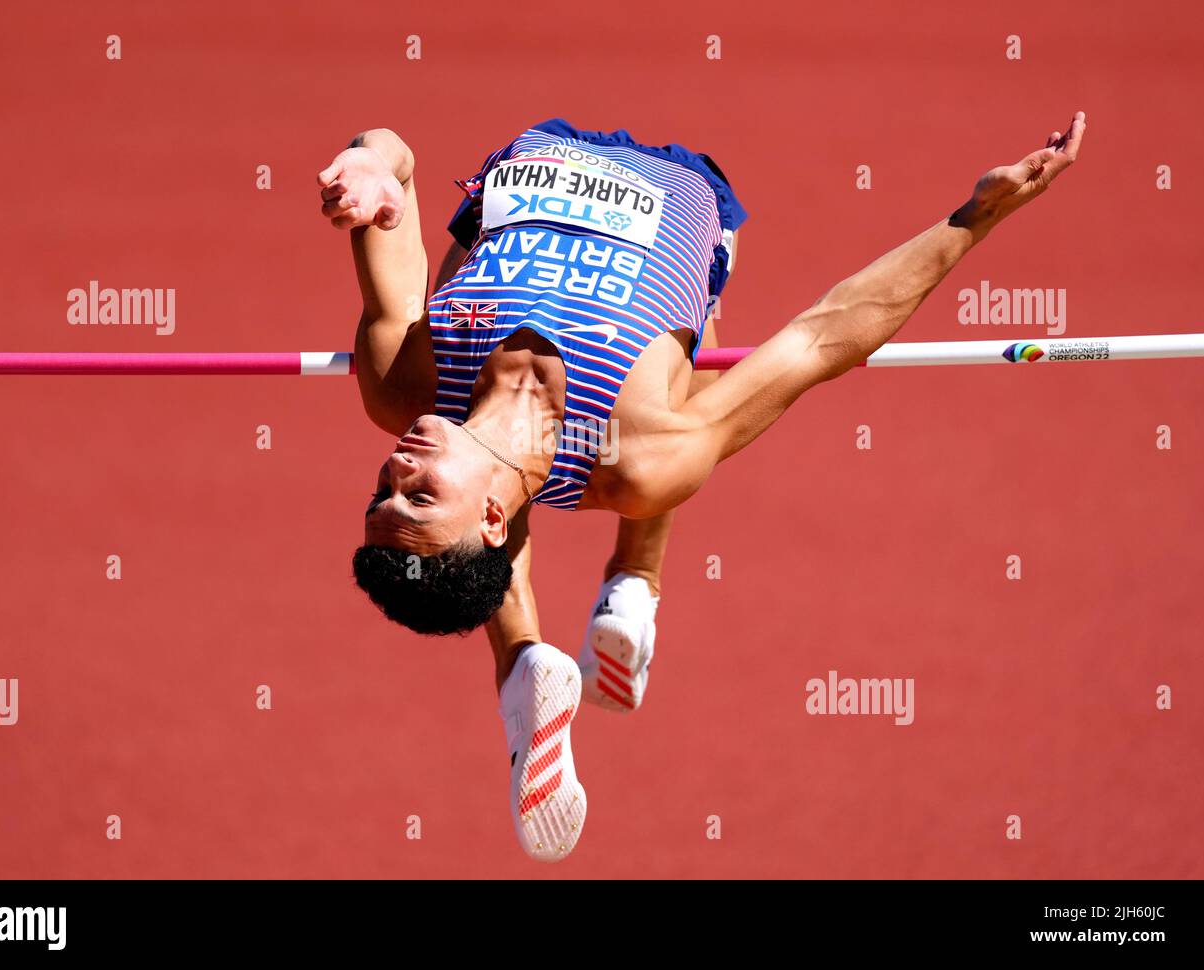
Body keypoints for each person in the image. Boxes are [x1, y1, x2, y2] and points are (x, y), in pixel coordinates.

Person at [317, 113, 1086, 861]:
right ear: (488, 518)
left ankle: (535, 656)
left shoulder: (401, 382)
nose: (397, 469)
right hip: (685, 190)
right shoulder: (648, 447)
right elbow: (822, 336)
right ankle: (629, 587)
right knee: (640, 457)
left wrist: (369, 161)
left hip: (539, 157)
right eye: (417, 498)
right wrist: (975, 216)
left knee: (482, 430)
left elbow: (394, 165)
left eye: (380, 492)